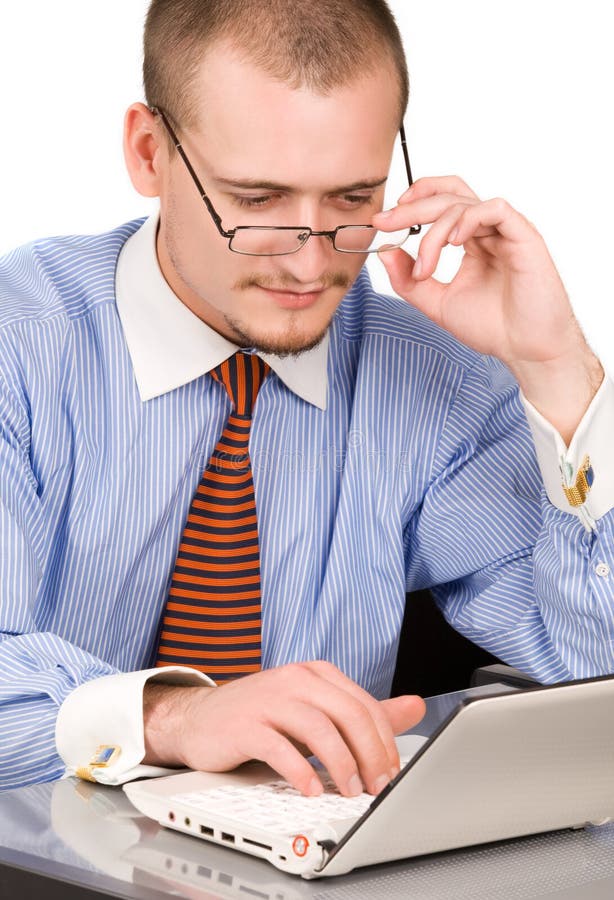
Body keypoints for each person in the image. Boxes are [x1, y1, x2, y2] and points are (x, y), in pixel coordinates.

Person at [1, 0, 612, 797]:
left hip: (316, 854)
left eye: (353, 201)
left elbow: (590, 677)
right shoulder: (20, 349)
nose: (309, 264)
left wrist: (559, 371)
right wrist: (171, 719)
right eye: (257, 202)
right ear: (150, 153)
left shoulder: (440, 383)